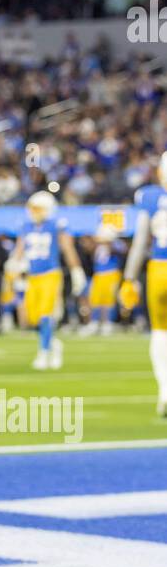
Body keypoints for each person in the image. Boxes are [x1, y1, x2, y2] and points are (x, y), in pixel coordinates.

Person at [10, 191, 85, 371]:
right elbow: (19, 250)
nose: (34, 212)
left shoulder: (56, 225)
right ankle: (53, 343)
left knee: (46, 315)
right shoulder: (26, 226)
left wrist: (76, 270)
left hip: (50, 274)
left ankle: (43, 352)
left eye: (38, 208)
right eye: (32, 208)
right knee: (31, 318)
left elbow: (68, 248)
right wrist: (13, 267)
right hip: (32, 276)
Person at [121, 153, 167, 413]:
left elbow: (140, 243)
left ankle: (164, 390)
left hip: (160, 269)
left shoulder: (150, 197)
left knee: (161, 331)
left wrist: (128, 277)